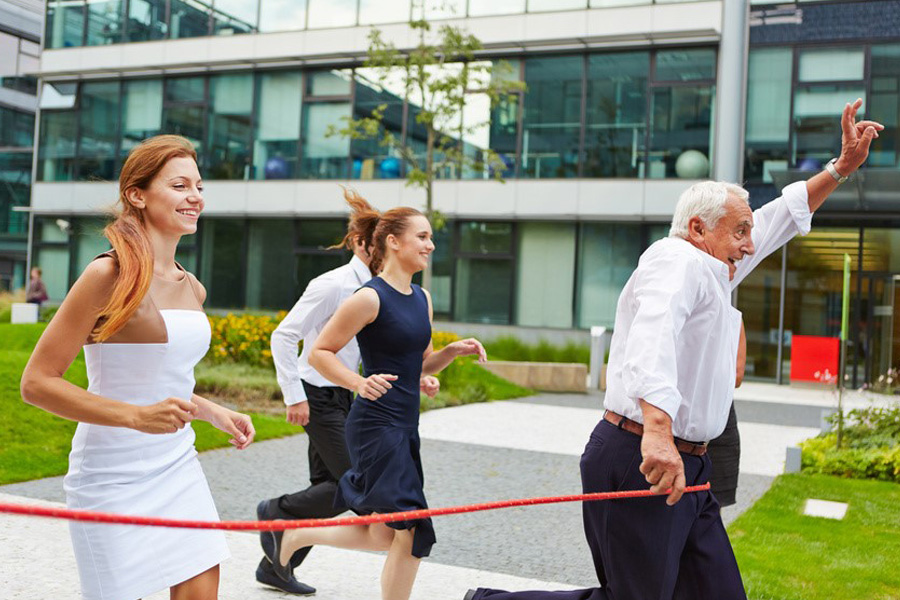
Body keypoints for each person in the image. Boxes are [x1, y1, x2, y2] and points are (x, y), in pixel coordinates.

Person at [465, 99, 881, 600]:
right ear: (698, 229)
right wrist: (659, 433)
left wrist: (839, 169)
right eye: (739, 232)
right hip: (643, 456)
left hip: (693, 467)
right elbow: (652, 338)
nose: (750, 245)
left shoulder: (715, 267)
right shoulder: (676, 259)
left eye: (748, 232)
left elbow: (777, 220)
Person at [20, 135, 256, 600]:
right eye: (180, 185)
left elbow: (162, 380)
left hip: (177, 464)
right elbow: (36, 383)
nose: (195, 197)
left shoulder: (194, 288)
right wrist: (135, 418)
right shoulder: (106, 275)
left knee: (200, 588)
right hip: (110, 475)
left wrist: (212, 411)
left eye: (199, 186)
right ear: (137, 194)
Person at [265, 198, 487, 600]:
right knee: (416, 529)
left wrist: (451, 353)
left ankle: (296, 534)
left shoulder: (422, 298)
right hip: (375, 425)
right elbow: (319, 352)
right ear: (393, 242)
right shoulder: (368, 297)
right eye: (422, 236)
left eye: (431, 237)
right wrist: (357, 382)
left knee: (385, 534)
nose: (430, 245)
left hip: (406, 426)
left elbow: (421, 363)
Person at [707, 322, 746, 507]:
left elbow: (737, 376)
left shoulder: (732, 318)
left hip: (719, 413)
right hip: (681, 417)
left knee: (714, 499)